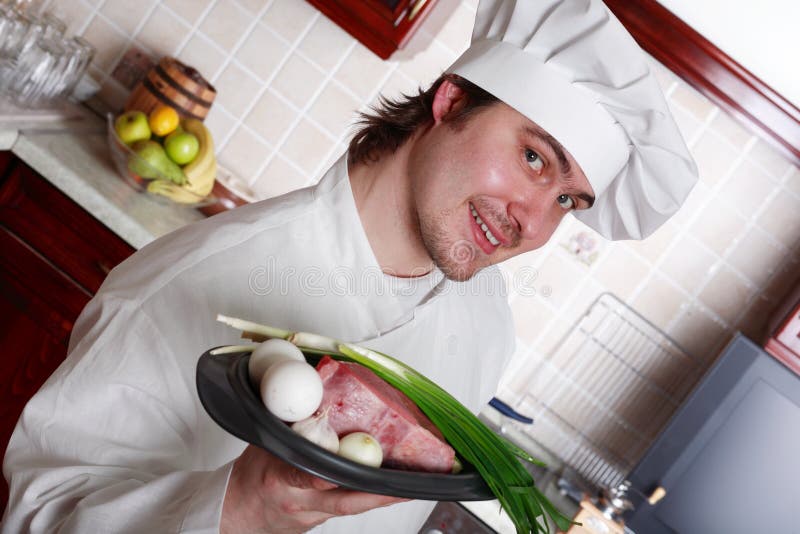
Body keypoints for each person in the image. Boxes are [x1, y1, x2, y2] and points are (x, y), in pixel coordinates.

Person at [2, 0, 697, 532]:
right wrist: (239, 509)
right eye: (534, 157)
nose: (533, 221)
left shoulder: (485, 326)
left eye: (569, 200)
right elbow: (38, 513)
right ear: (450, 100)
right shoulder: (188, 285)